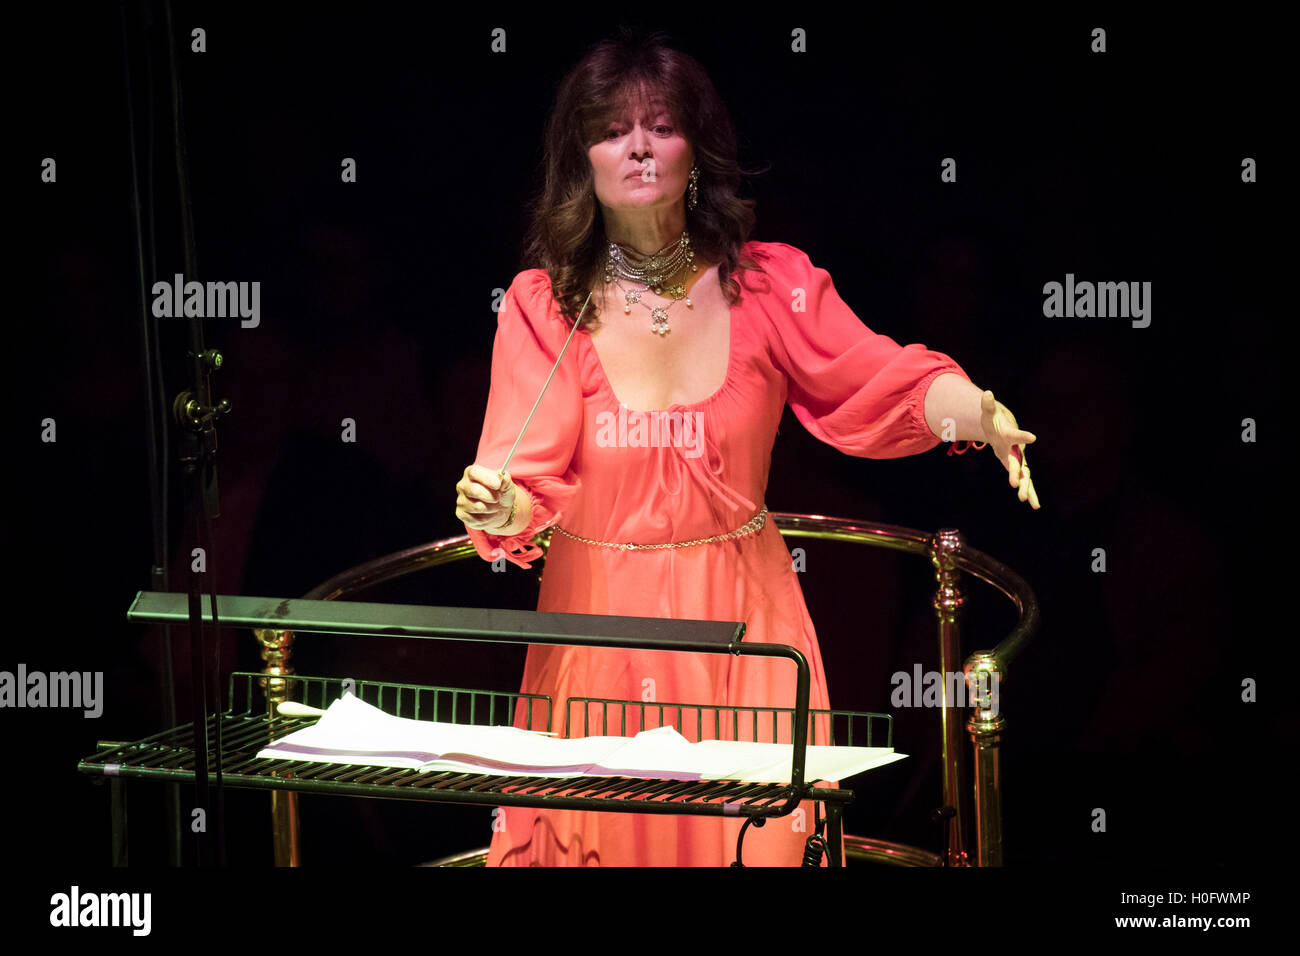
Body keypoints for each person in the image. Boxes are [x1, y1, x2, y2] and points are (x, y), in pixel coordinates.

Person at [454, 29, 1038, 866]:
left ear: (696, 149)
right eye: (613, 130)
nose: (639, 147)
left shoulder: (768, 284)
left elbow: (879, 377)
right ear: (583, 159)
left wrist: (980, 413)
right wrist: (502, 503)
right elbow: (519, 477)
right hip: (597, 633)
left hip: (747, 632)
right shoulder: (545, 303)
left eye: (661, 126)